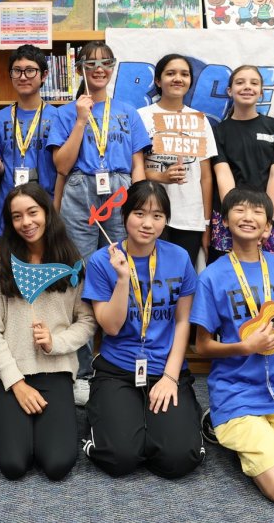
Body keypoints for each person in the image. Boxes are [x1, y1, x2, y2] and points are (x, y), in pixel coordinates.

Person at [190, 187, 274, 502]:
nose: (247, 216)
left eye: (257, 212)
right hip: (237, 394)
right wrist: (245, 347)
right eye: (239, 210)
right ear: (223, 223)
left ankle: (267, 440)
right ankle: (222, 424)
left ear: (268, 228)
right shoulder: (211, 277)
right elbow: (202, 347)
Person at [47, 41, 148, 405]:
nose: (99, 68)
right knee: (77, 274)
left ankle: (118, 359)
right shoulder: (66, 112)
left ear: (113, 66)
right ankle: (82, 368)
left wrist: (138, 201)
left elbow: (137, 163)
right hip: (80, 190)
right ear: (80, 68)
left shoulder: (128, 111)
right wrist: (80, 120)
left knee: (123, 270)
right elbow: (61, 164)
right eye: (91, 62)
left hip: (120, 191)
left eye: (106, 62)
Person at [80, 180, 203, 478]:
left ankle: (153, 424)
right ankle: (114, 420)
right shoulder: (101, 261)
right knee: (119, 458)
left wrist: (171, 377)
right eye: (139, 213)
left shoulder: (179, 258)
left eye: (157, 215)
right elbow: (109, 327)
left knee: (178, 461)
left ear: (166, 221)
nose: (148, 223)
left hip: (165, 367)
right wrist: (123, 279)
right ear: (124, 216)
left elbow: (183, 321)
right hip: (118, 368)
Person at [0, 183, 96, 479]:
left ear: (47, 213)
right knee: (12, 465)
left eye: (33, 212)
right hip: (12, 374)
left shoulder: (72, 265)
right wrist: (16, 382)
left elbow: (86, 322)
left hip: (56, 372)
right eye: (17, 217)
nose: (26, 223)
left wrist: (54, 342)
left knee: (58, 465)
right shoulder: (0, 266)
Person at [137, 53, 217, 267]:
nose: (177, 78)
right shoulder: (141, 117)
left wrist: (206, 222)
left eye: (184, 74)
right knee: (149, 275)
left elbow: (206, 177)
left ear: (190, 81)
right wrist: (161, 177)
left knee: (181, 280)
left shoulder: (200, 120)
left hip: (189, 217)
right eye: (170, 73)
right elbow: (132, 169)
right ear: (157, 81)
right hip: (149, 212)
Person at [209, 65, 274, 263]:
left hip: (266, 217)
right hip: (229, 216)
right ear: (230, 91)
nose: (247, 87)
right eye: (240, 82)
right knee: (227, 275)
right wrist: (235, 217)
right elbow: (223, 175)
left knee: (265, 274)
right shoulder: (218, 131)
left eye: (254, 83)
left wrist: (266, 220)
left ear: (261, 92)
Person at [0, 45, 58, 236]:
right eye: (17, 71)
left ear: (44, 75)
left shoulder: (59, 117)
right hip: (7, 214)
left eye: (30, 70)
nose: (23, 76)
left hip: (45, 211)